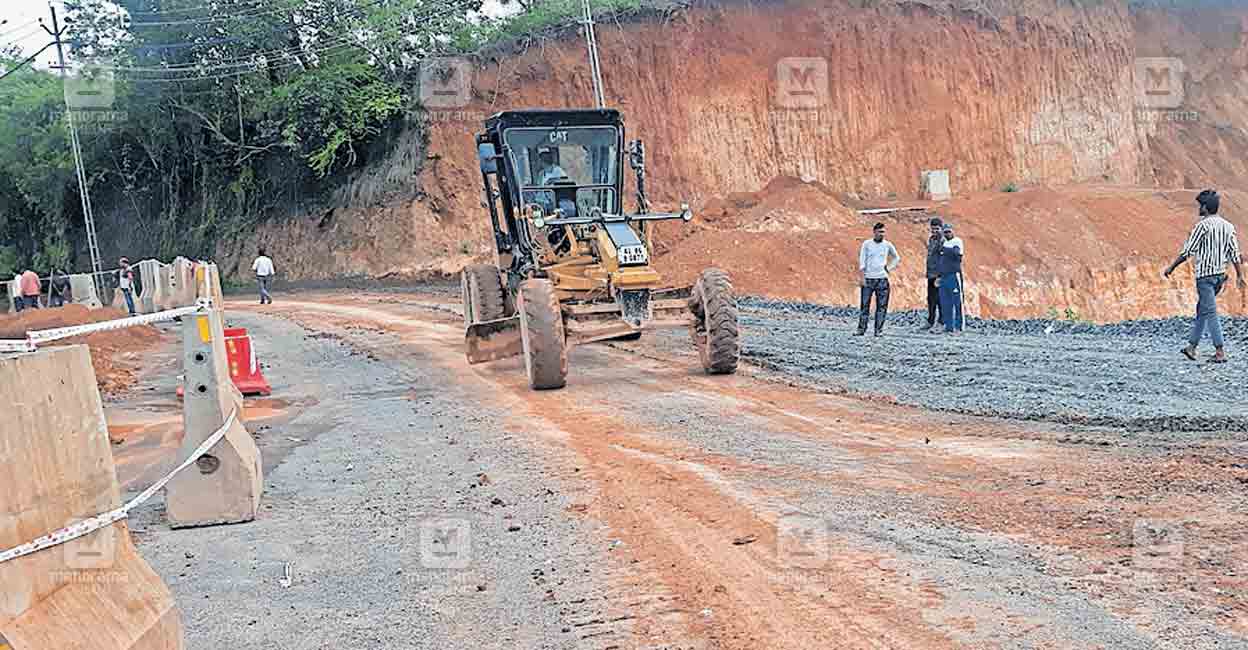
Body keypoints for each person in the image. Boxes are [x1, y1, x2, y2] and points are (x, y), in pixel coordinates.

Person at [1164, 189, 1244, 363]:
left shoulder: (1202, 226)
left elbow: (1188, 251)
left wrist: (1171, 267)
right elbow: (1234, 253)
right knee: (1202, 309)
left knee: (1210, 311)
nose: (1199, 208)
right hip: (1220, 276)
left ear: (1206, 207)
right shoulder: (1228, 226)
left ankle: (1219, 351)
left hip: (1205, 278)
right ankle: (1191, 347)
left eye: (1200, 205)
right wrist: (1239, 275)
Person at [856, 222, 901, 337]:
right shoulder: (867, 244)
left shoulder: (887, 245)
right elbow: (862, 260)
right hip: (868, 278)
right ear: (874, 232)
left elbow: (896, 257)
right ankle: (861, 329)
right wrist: (862, 276)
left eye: (883, 232)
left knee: (882, 306)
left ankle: (878, 330)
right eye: (880, 232)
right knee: (865, 305)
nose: (882, 234)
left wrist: (888, 268)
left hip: (882, 279)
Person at [937, 223, 965, 334]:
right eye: (945, 232)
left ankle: (959, 327)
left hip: (953, 275)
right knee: (945, 302)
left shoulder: (957, 241)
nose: (947, 234)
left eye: (949, 231)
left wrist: (945, 249)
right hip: (944, 276)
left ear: (953, 231)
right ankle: (949, 326)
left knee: (957, 301)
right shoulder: (944, 243)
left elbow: (957, 255)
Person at [924, 216, 945, 332]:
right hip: (931, 274)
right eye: (933, 229)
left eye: (937, 229)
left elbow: (943, 259)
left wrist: (940, 276)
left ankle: (941, 322)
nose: (935, 231)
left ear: (941, 228)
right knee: (931, 299)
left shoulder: (943, 241)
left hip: (938, 275)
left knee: (940, 299)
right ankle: (930, 321)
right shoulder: (931, 239)